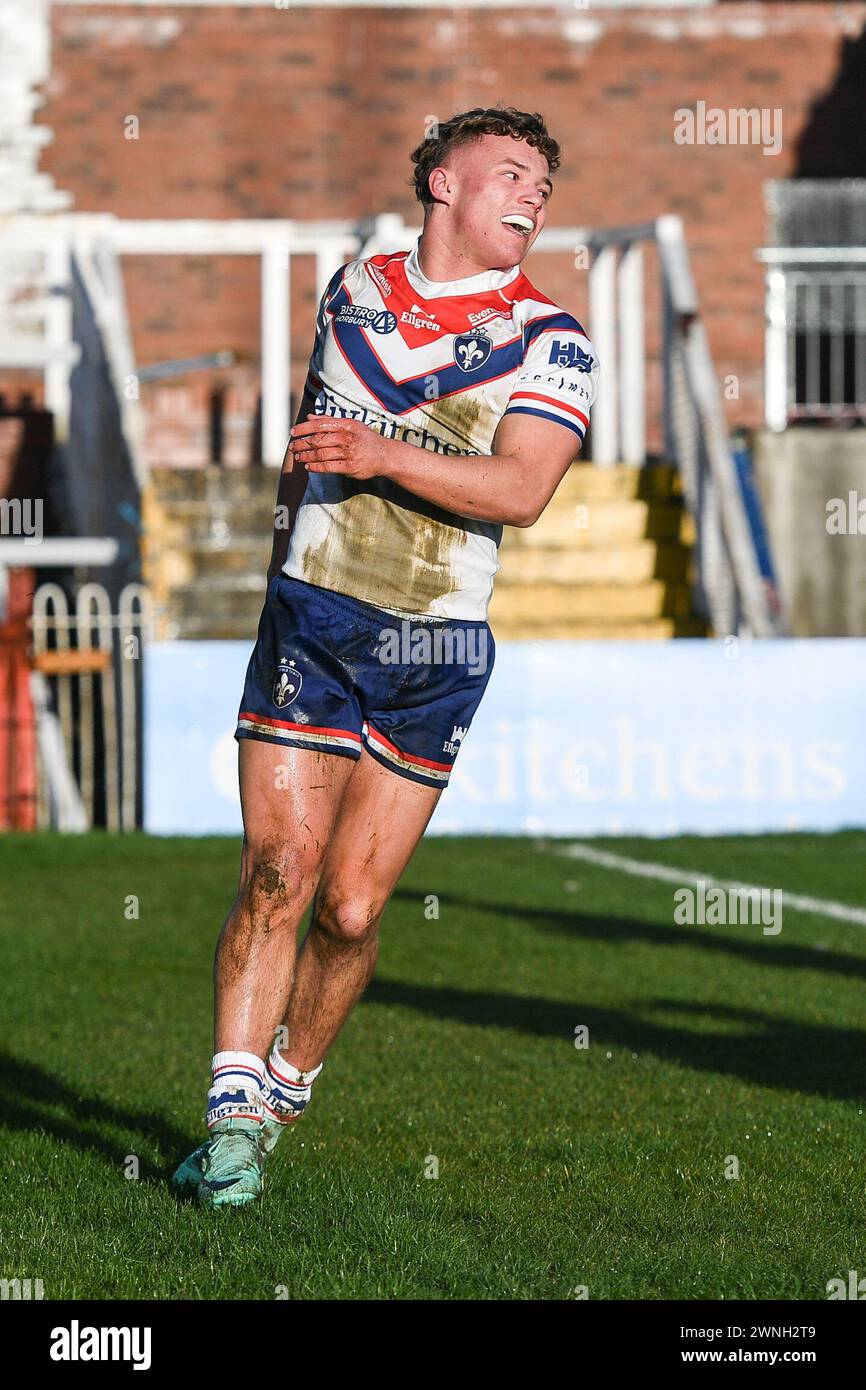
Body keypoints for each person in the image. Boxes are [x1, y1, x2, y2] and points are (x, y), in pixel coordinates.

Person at [172, 105, 600, 1207]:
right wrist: (279, 559)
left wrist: (378, 453)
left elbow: (521, 490)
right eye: (511, 173)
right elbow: (309, 446)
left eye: (543, 187)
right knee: (275, 872)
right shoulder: (354, 286)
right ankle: (227, 1126)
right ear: (441, 182)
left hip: (434, 641)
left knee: (350, 911)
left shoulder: (549, 338)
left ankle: (282, 1088)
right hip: (309, 618)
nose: (532, 197)